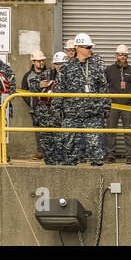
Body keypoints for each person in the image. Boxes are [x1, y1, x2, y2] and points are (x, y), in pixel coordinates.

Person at [55, 32, 108, 166]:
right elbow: (59, 89)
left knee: (96, 150)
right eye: (88, 48)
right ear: (78, 48)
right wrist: (56, 109)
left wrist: (105, 107)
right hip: (72, 115)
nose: (91, 50)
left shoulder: (96, 67)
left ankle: (98, 180)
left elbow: (103, 88)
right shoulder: (66, 68)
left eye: (91, 47)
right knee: (69, 149)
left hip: (93, 114)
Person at [104, 44, 131, 165]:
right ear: (116, 56)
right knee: (110, 131)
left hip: (128, 106)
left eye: (125, 55)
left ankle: (130, 156)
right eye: (121, 55)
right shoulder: (109, 70)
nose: (123, 57)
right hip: (112, 106)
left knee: (129, 132)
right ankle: (110, 155)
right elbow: (102, 85)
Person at [26, 51, 64, 164]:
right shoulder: (47, 74)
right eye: (56, 64)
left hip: (61, 115)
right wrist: (39, 85)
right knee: (46, 141)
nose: (59, 66)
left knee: (61, 141)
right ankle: (49, 162)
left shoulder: (69, 76)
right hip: (45, 115)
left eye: (61, 64)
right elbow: (31, 86)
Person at [23, 50, 50, 160]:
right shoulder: (28, 76)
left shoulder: (49, 73)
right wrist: (31, 102)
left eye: (42, 61)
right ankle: (40, 151)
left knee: (49, 129)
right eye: (38, 61)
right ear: (33, 62)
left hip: (49, 107)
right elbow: (24, 92)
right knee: (38, 130)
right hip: (36, 108)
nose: (41, 63)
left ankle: (49, 152)